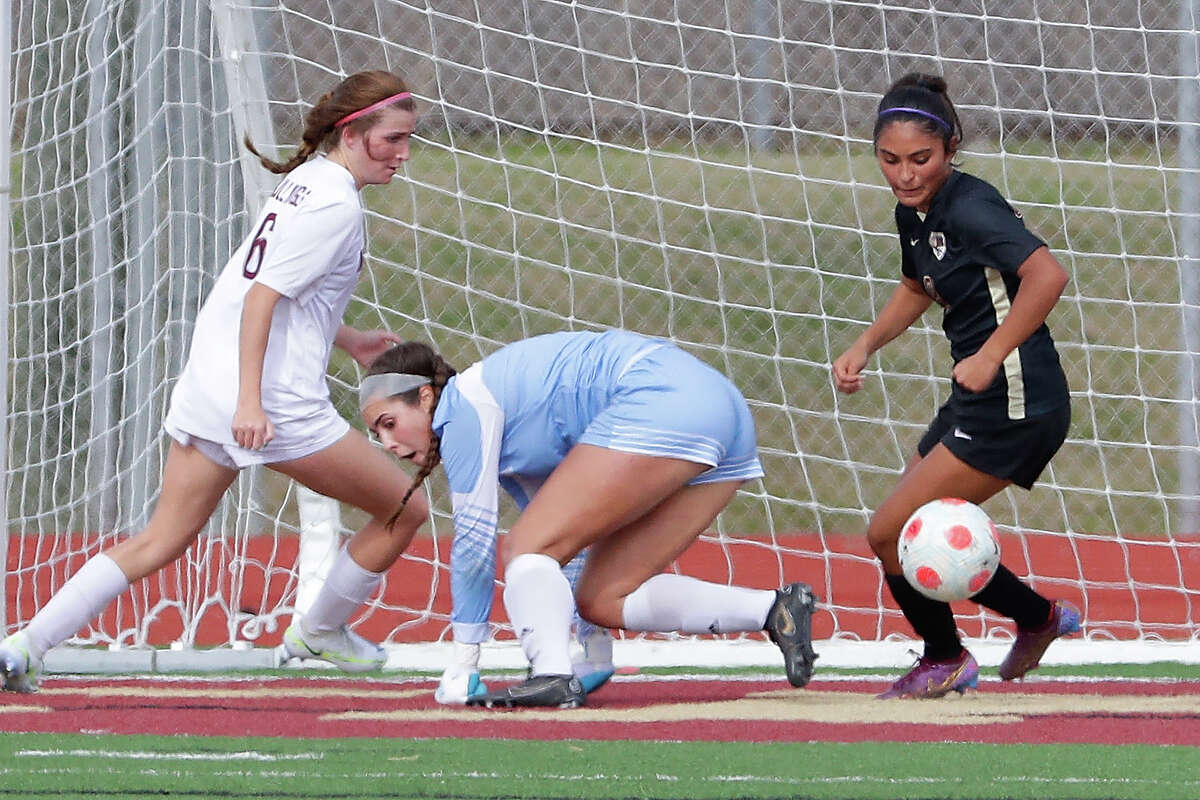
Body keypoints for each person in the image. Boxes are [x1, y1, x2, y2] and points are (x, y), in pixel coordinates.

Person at [0, 70, 429, 692]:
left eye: (409, 139)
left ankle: (25, 646)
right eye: (393, 139)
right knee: (406, 508)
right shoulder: (335, 203)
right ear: (353, 133)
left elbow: (285, 293)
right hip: (266, 400)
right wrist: (252, 403)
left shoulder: (307, 183)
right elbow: (262, 299)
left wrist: (350, 339)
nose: (404, 154)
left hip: (209, 382)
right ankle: (321, 631)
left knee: (161, 538)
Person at [359, 330, 819, 708]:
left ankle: (551, 676)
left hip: (665, 398)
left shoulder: (459, 411)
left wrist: (464, 664)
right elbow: (567, 549)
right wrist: (593, 651)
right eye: (376, 432)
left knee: (525, 547)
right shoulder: (507, 434)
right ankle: (774, 610)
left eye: (389, 422)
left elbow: (475, 545)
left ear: (424, 398)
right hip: (723, 411)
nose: (387, 444)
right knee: (602, 596)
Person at [832, 73, 1082, 699]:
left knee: (890, 532)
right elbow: (919, 285)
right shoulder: (914, 210)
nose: (906, 174)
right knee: (927, 534)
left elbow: (1047, 275)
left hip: (1015, 402)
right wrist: (864, 345)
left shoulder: (970, 205)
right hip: (980, 396)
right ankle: (1037, 617)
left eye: (922, 159)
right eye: (890, 160)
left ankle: (944, 657)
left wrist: (993, 354)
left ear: (950, 149)